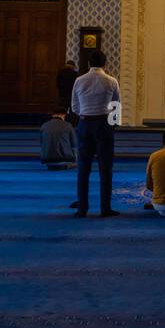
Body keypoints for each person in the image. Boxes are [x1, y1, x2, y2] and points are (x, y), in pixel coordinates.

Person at [70, 49, 121, 217]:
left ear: (88, 64)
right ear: (105, 63)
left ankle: (82, 208)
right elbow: (116, 105)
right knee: (105, 169)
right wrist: (112, 126)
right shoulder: (111, 81)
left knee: (83, 169)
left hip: (84, 124)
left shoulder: (79, 80)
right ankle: (105, 208)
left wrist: (85, 115)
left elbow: (74, 107)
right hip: (103, 125)